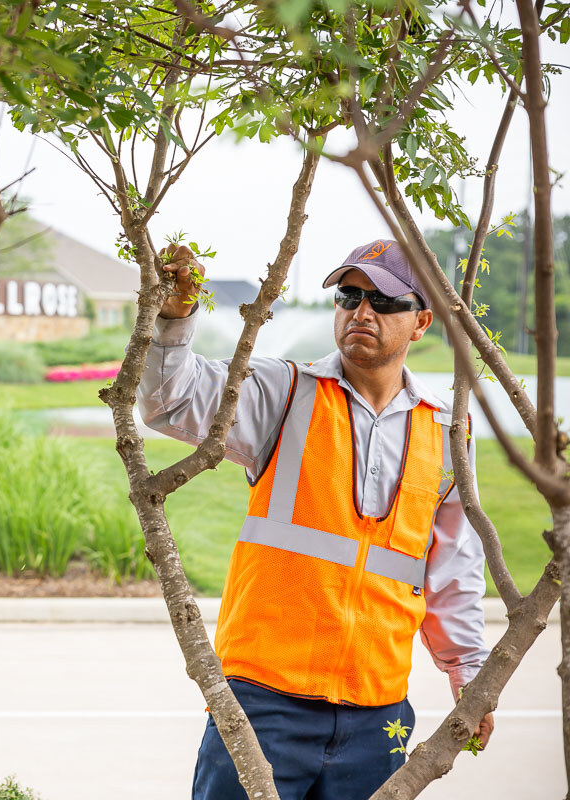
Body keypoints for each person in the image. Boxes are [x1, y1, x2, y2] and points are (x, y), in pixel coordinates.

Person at [136, 239, 492, 800]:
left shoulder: (447, 433)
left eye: (384, 301)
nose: (361, 312)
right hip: (263, 702)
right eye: (349, 296)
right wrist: (174, 315)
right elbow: (169, 401)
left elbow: (453, 572)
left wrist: (469, 675)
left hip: (378, 716)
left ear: (421, 321)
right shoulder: (285, 393)